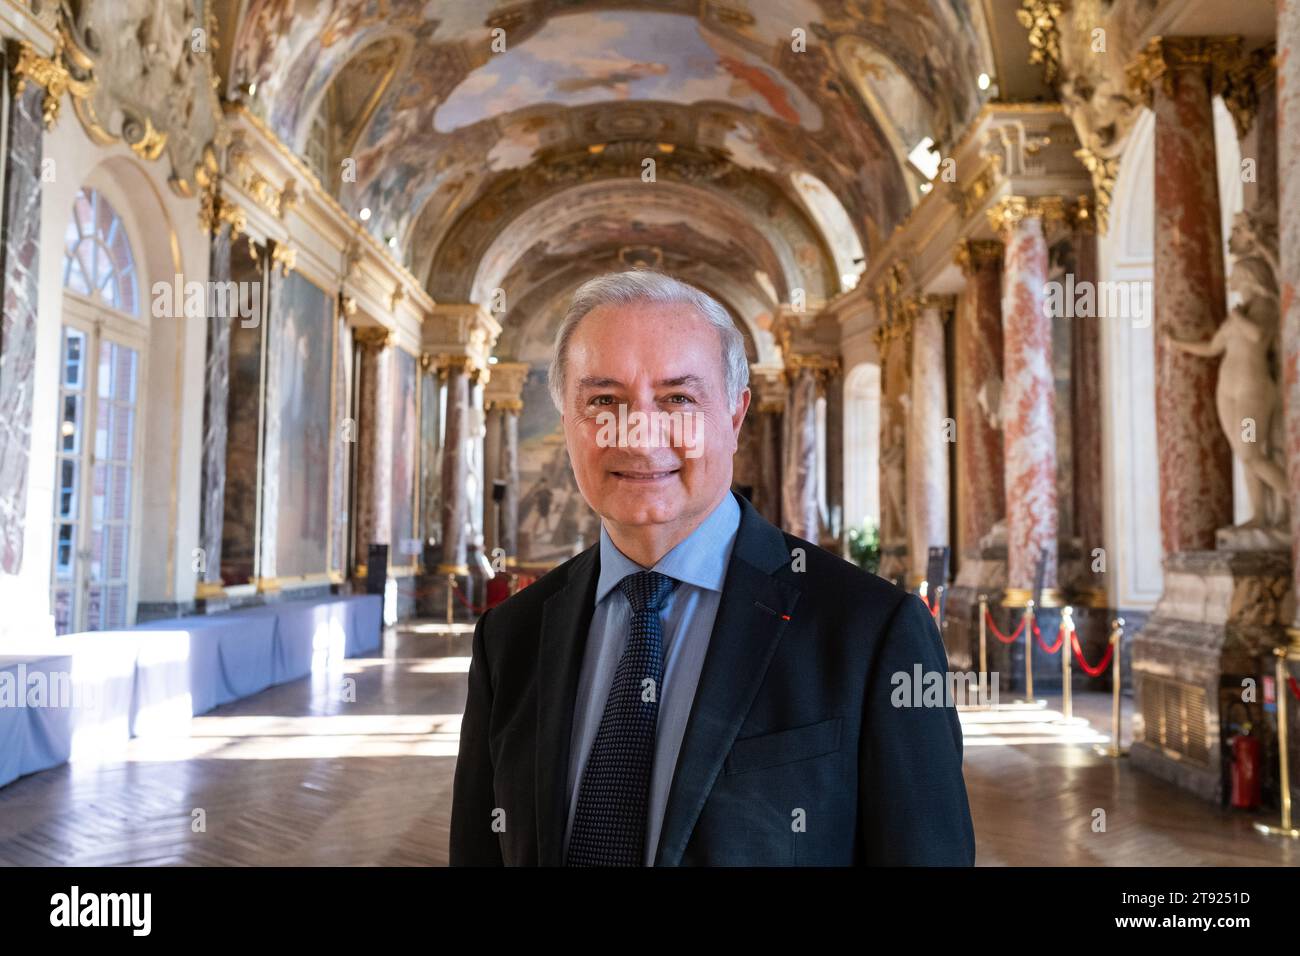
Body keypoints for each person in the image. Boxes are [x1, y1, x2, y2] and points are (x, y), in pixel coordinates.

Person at [450, 270, 975, 866]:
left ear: (733, 416)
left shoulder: (873, 633)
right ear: (567, 421)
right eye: (603, 400)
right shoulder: (509, 637)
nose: (641, 434)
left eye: (677, 399)